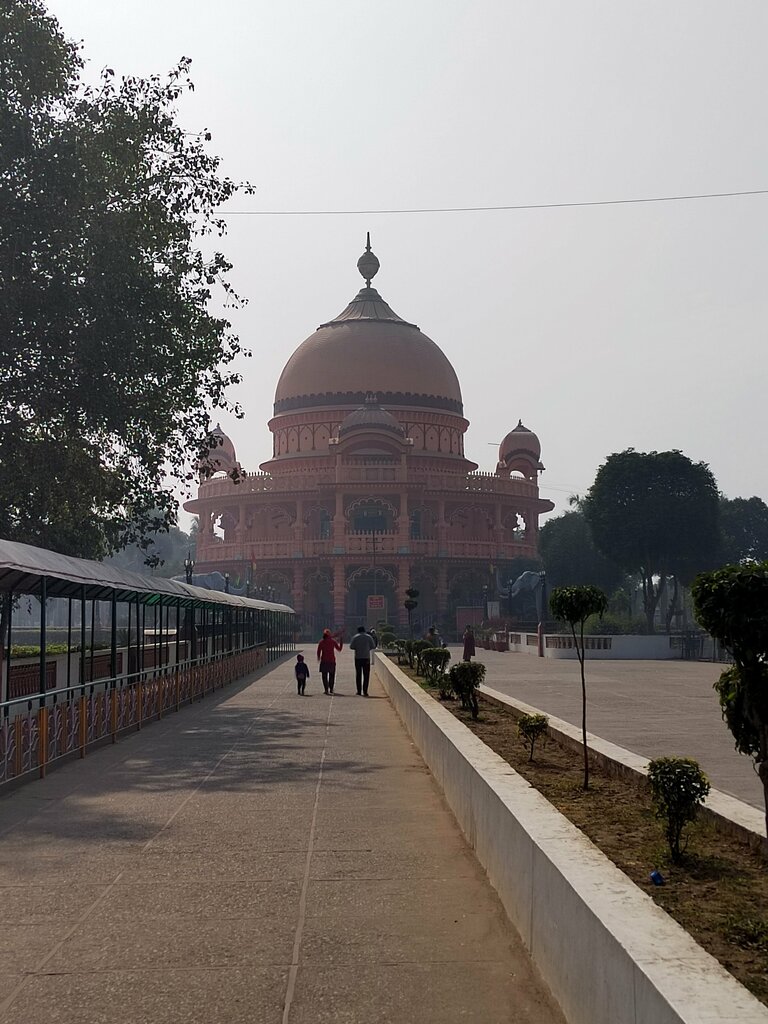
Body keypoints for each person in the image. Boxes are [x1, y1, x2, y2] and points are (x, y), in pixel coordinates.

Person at [349, 625, 377, 696]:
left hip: (358, 658)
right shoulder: (368, 637)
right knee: (366, 675)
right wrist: (367, 649)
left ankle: (359, 691)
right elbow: (373, 646)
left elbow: (351, 646)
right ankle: (365, 691)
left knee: (358, 674)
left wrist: (357, 648)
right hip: (366, 658)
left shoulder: (355, 637)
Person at [316, 628, 343, 694]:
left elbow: (318, 651)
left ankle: (326, 689)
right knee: (332, 675)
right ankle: (331, 689)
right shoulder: (333, 641)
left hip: (324, 661)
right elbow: (339, 649)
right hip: (331, 661)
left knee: (324, 676)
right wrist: (341, 642)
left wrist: (319, 657)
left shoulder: (321, 642)